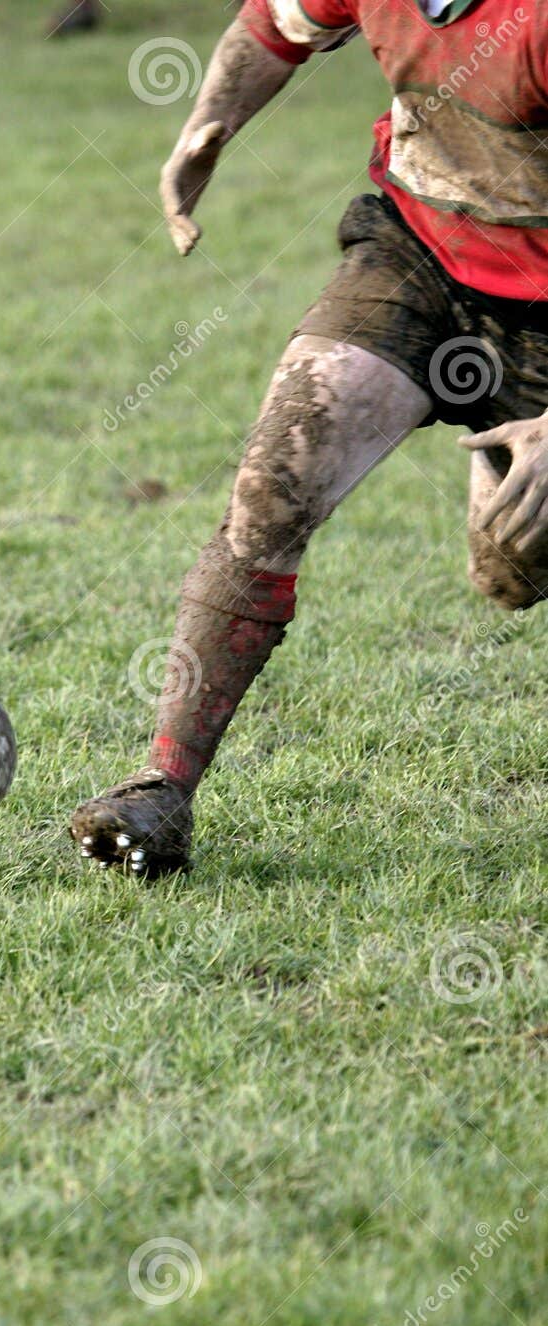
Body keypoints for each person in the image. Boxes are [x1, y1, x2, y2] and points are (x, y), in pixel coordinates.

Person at [70, 0, 548, 875]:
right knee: (272, 487)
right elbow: (272, 24)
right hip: (418, 256)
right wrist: (210, 125)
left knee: (511, 574)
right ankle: (160, 788)